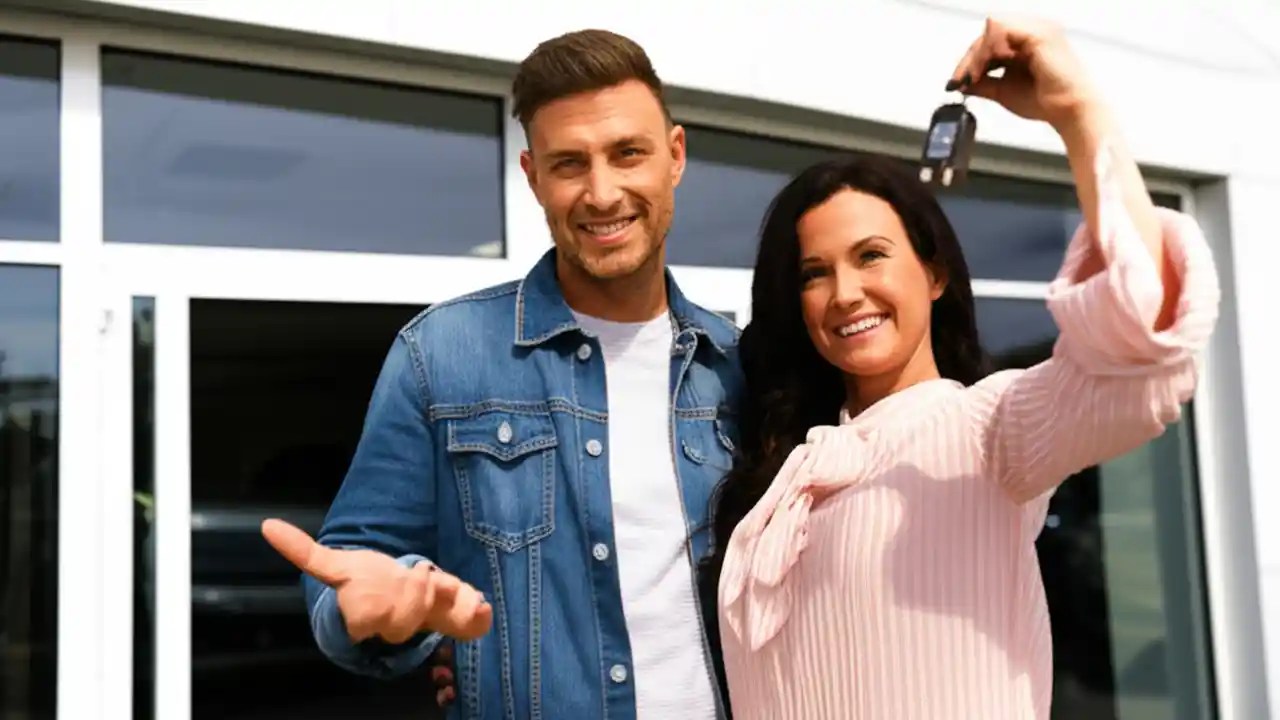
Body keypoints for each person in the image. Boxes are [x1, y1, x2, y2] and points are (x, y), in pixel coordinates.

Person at [700, 16, 1220, 720]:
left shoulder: (986, 427)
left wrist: (1078, 112)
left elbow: (1140, 335)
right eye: (814, 273)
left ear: (935, 273)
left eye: (871, 256)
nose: (844, 292)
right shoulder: (791, 473)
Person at [260, 28, 740, 720]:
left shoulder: (737, 366)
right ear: (533, 176)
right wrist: (376, 609)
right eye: (569, 163)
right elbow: (357, 566)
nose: (602, 192)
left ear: (675, 155)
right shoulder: (439, 356)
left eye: (627, 154)